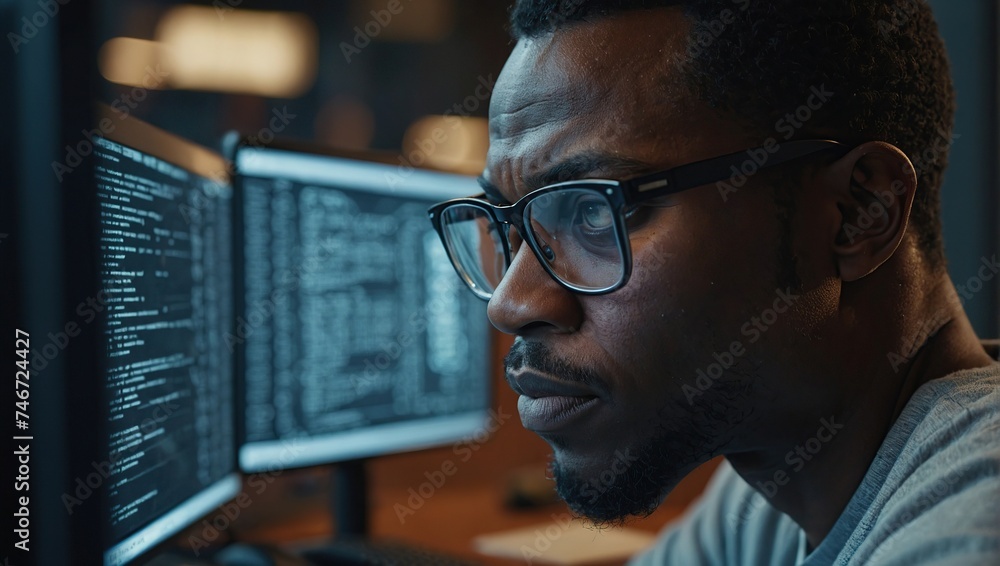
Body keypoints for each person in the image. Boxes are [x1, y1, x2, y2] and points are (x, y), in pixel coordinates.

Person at [426, 0, 1000, 564]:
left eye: (595, 214)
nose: (510, 303)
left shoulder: (969, 533)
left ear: (857, 212)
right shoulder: (777, 481)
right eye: (508, 220)